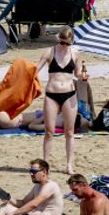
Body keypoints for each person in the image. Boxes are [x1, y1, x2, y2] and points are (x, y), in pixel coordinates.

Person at [36, 27, 84, 172]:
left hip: (69, 94)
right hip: (52, 94)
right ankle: (45, 164)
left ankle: (69, 164)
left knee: (69, 132)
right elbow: (35, 70)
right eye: (62, 43)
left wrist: (83, 76)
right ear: (59, 40)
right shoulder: (50, 52)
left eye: (67, 44)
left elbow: (78, 73)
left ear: (72, 42)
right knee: (49, 131)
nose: (65, 46)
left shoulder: (75, 53)